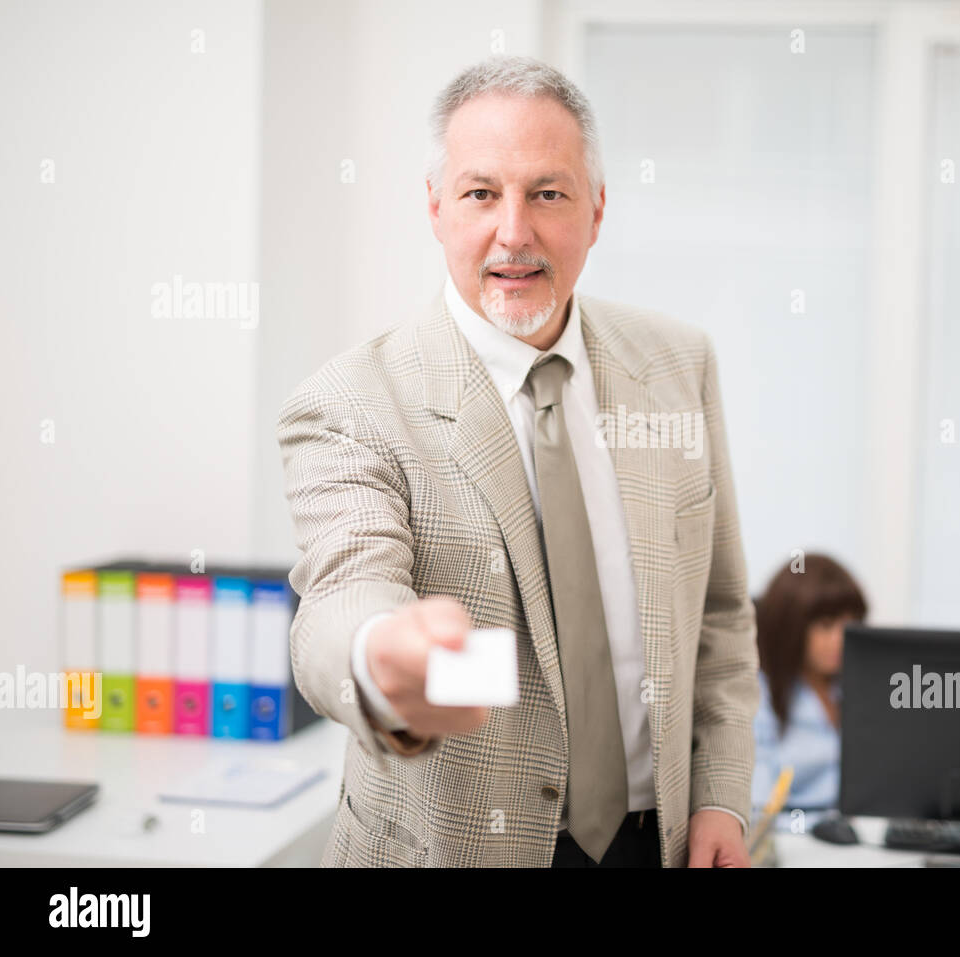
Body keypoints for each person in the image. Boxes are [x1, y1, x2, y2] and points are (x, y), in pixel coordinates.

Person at [276, 56, 758, 868]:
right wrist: (379, 655)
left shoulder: (679, 364)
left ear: (597, 209)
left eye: (547, 193)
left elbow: (718, 612)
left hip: (659, 844)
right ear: (435, 207)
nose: (514, 232)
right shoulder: (351, 401)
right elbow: (341, 592)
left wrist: (720, 797)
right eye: (480, 193)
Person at [750, 554, 867, 827]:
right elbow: (757, 810)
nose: (840, 639)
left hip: (854, 832)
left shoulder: (853, 690)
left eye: (849, 625)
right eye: (826, 626)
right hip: (792, 839)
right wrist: (816, 827)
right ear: (791, 627)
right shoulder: (759, 696)